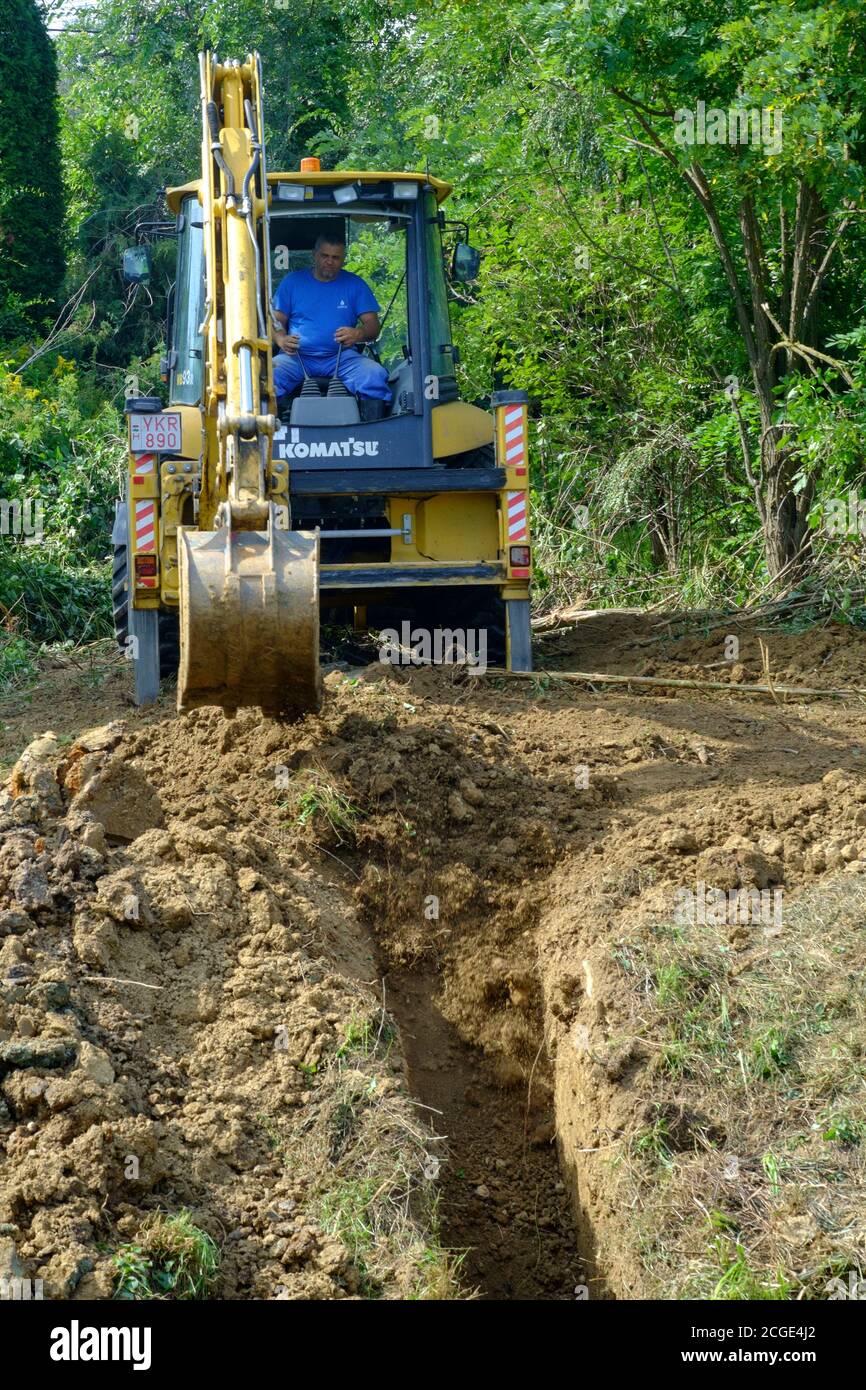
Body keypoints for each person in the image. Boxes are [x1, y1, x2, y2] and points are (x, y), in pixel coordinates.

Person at [271, 234, 392, 407]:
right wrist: (281, 339)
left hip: (342, 357)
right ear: (315, 255)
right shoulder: (292, 282)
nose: (329, 261)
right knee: (267, 375)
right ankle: (277, 429)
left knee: (375, 375)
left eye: (335, 257)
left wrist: (358, 333)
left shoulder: (355, 284)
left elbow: (373, 326)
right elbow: (276, 321)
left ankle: (374, 429)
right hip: (297, 357)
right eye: (324, 256)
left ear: (343, 259)